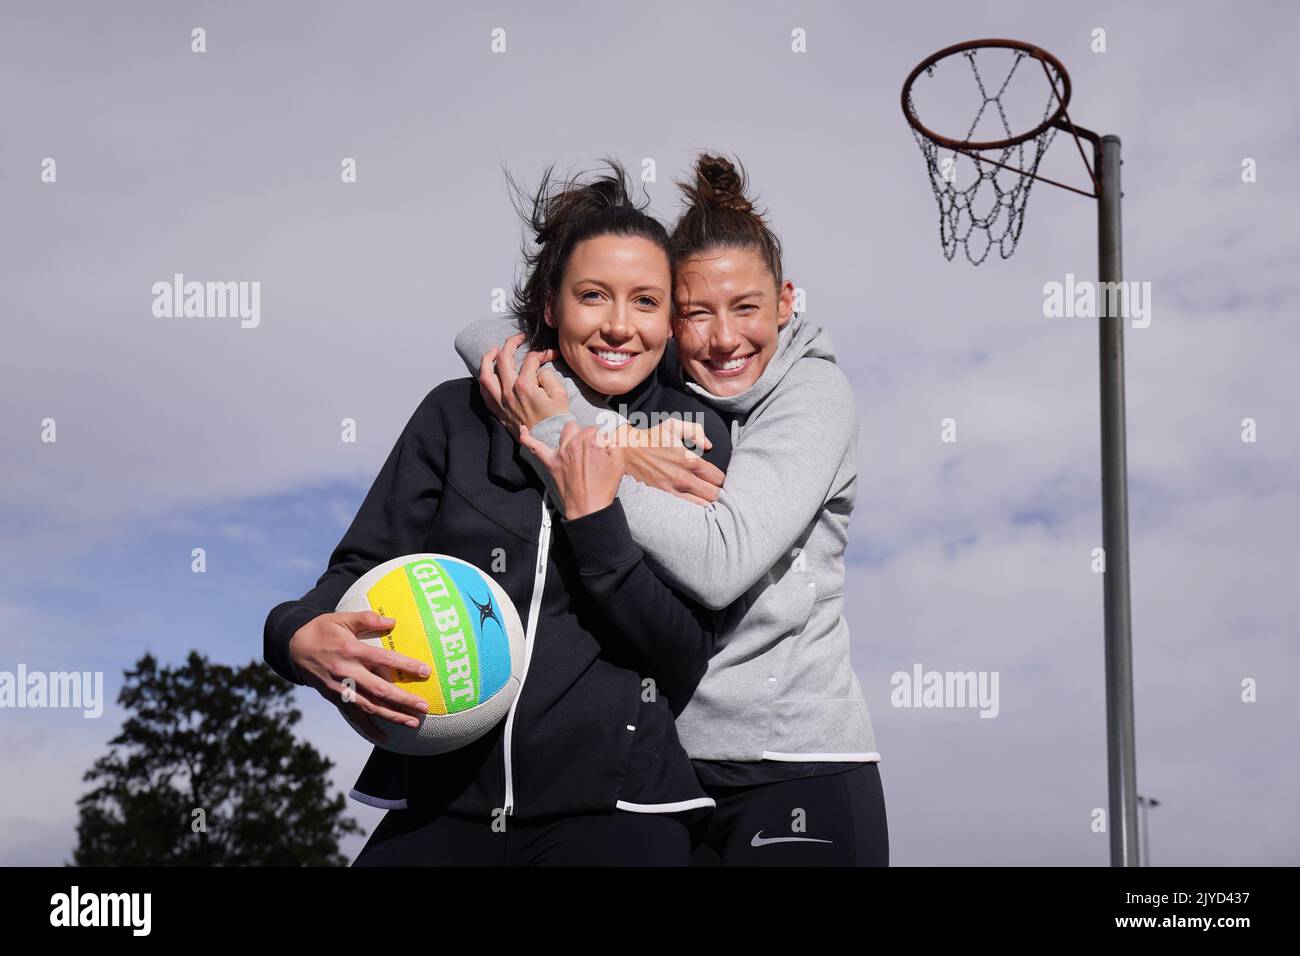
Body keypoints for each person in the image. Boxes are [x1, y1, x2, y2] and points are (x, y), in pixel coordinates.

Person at [263, 160, 732, 866]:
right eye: (593, 295)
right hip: (439, 801)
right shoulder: (456, 413)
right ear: (551, 305)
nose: (616, 326)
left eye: (645, 302)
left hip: (619, 809)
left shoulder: (690, 436)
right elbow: (359, 568)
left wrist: (594, 514)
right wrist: (294, 637)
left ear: (671, 321)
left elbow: (681, 654)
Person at [456, 153, 888, 866]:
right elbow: (487, 338)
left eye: (747, 308)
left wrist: (581, 447)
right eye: (695, 313)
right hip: (672, 772)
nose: (723, 338)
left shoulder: (814, 396)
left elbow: (722, 563)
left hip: (794, 764)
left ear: (786, 301)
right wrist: (618, 440)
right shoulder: (661, 382)